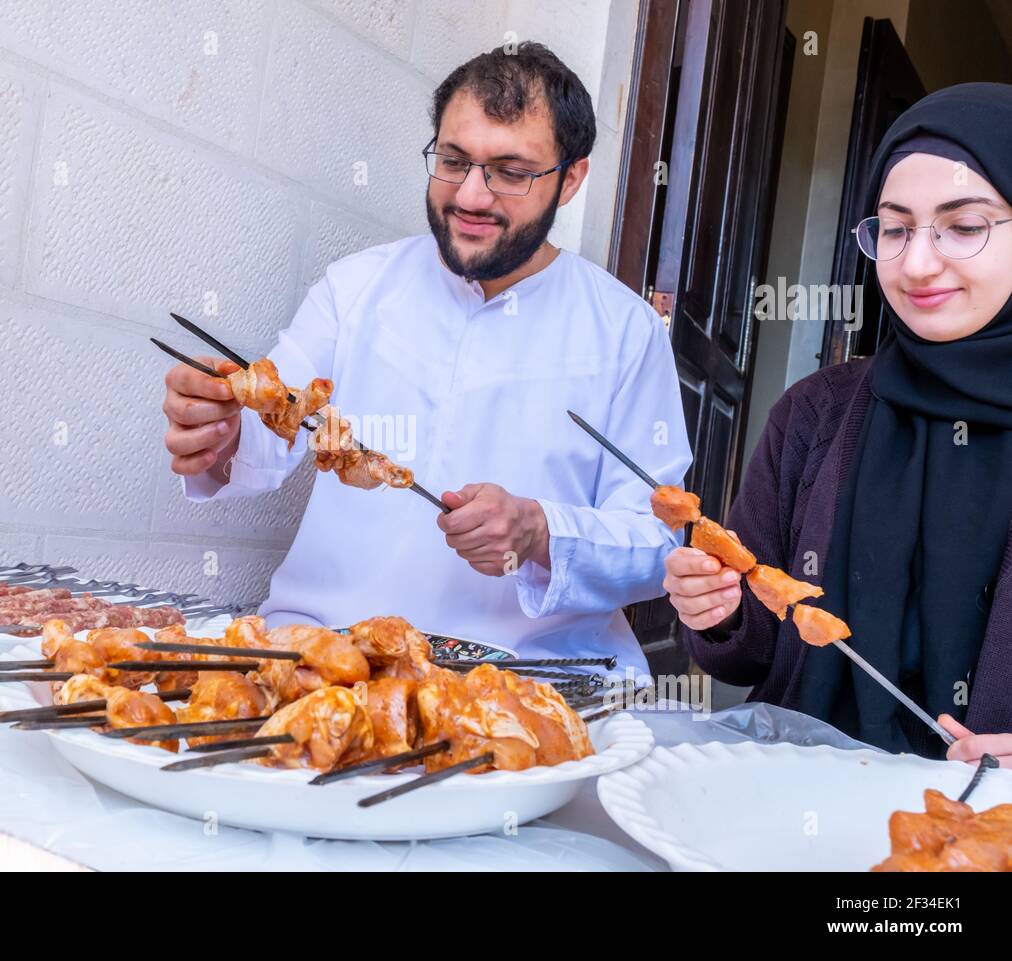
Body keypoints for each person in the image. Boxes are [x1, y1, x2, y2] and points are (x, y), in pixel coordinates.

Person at [161, 43, 690, 671]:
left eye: (511, 171)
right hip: (327, 661)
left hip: (531, 683)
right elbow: (262, 433)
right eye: (453, 160)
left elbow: (661, 543)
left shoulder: (627, 330)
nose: (470, 195)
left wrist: (539, 530)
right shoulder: (354, 288)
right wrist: (216, 434)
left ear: (571, 178)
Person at [664, 83, 1012, 764]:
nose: (916, 263)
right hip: (801, 800)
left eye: (964, 226)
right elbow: (748, 646)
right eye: (894, 226)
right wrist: (716, 604)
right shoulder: (814, 411)